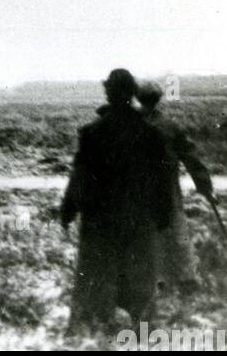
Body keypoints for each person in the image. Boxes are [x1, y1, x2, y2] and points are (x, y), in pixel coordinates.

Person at [60, 69, 173, 331]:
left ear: (108, 93)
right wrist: (163, 214)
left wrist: (68, 210)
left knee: (96, 275)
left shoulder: (92, 133)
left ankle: (91, 329)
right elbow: (161, 181)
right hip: (137, 218)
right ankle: (139, 329)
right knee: (137, 275)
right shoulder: (151, 134)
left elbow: (80, 177)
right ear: (133, 93)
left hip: (100, 220)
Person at [137, 81, 213, 292]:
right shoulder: (170, 126)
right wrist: (205, 186)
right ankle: (186, 279)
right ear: (158, 99)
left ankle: (158, 281)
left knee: (147, 234)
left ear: (138, 99)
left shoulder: (131, 126)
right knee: (177, 233)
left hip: (141, 190)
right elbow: (191, 157)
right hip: (167, 189)